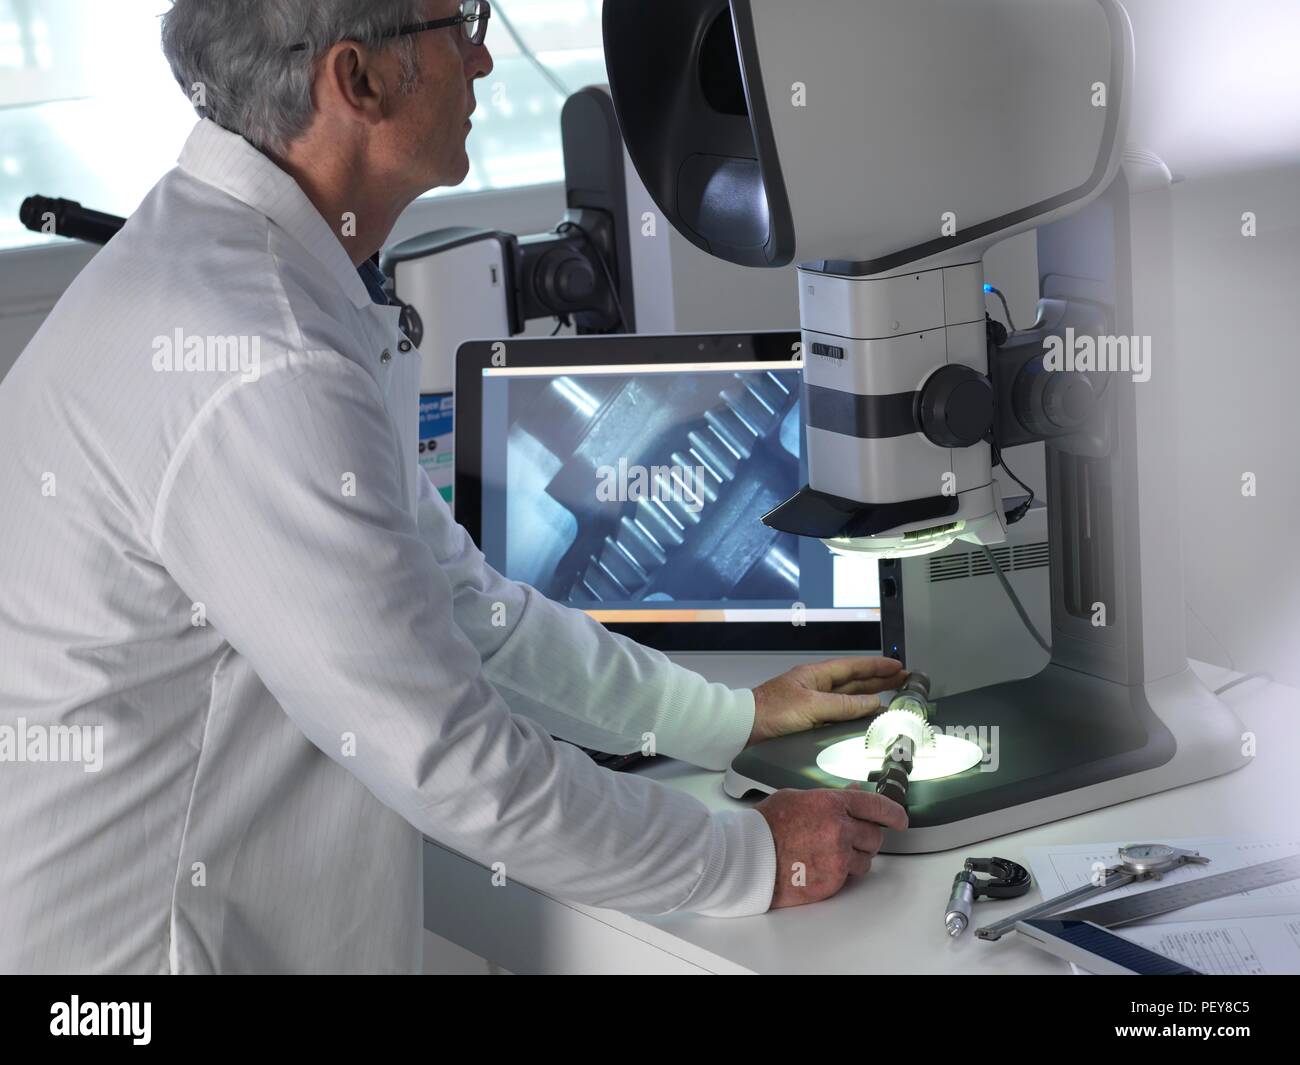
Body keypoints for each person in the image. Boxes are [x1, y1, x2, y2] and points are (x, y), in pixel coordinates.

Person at [0, 0, 906, 974]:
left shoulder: (242, 273)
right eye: (457, 22)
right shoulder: (261, 359)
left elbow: (464, 602)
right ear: (357, 79)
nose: (481, 56)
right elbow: (450, 762)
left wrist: (723, 719)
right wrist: (748, 856)